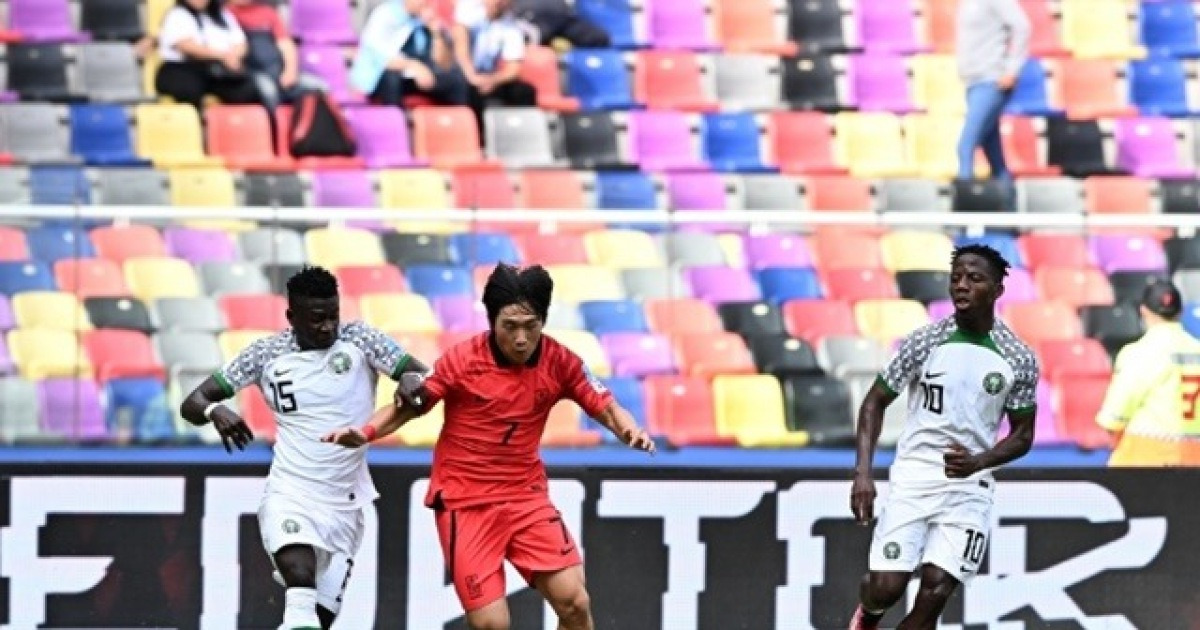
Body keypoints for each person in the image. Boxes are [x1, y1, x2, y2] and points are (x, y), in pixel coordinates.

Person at [323, 263, 656, 630]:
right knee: (491, 625)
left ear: (543, 321)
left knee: (574, 602)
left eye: (530, 326)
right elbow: (410, 407)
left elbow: (605, 405)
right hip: (466, 503)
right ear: (492, 321)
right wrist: (365, 432)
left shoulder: (560, 361)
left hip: (524, 497)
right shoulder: (462, 360)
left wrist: (630, 430)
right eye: (509, 326)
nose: (520, 338)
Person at [180, 266, 429, 630]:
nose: (328, 326)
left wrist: (409, 377)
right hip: (292, 490)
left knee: (319, 620)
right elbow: (193, 401)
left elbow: (419, 372)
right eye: (317, 319)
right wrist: (215, 410)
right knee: (300, 581)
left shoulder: (360, 339)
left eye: (333, 315)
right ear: (291, 316)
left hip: (345, 503)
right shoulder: (265, 355)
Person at [848, 244, 1041, 630]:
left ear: (998, 290)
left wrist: (978, 462)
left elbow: (1022, 436)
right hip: (916, 476)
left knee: (934, 593)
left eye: (974, 278)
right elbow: (874, 402)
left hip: (970, 486)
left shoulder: (1017, 359)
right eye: (956, 278)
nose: (962, 286)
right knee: (886, 589)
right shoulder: (925, 342)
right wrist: (863, 474)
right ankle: (867, 617)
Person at [1096, 279, 1200, 466]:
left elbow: (1115, 416)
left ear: (1143, 311)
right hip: (1194, 460)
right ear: (1181, 311)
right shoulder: (1197, 349)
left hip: (1148, 458)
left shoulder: (1138, 352)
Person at [955, 0, 1029, 194]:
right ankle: (1009, 214)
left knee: (966, 146)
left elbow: (1022, 27)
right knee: (994, 155)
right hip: (973, 83)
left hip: (991, 82)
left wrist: (1012, 69)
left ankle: (963, 214)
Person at [350, 0, 470, 107]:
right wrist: (413, 66)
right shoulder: (385, 15)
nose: (425, 3)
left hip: (414, 76)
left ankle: (458, 125)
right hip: (381, 76)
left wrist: (436, 33)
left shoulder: (423, 21)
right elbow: (381, 59)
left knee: (456, 80)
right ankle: (395, 127)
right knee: (392, 78)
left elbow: (442, 63)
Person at [155, 0, 262, 111]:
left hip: (217, 69)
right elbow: (186, 46)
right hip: (181, 68)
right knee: (189, 89)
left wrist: (233, 57)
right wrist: (223, 56)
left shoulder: (222, 15)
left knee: (247, 91)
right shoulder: (177, 15)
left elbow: (241, 43)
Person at [226, 0, 328, 112]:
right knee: (269, 91)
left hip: (277, 72)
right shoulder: (224, 15)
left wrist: (290, 71)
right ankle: (274, 128)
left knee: (320, 86)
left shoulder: (268, 13)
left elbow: (286, 44)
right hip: (251, 75)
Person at [452, 0, 538, 128]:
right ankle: (476, 138)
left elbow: (513, 69)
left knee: (524, 91)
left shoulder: (511, 26)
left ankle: (522, 134)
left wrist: (492, 80)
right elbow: (460, 50)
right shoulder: (468, 12)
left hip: (487, 75)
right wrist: (473, 78)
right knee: (467, 90)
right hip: (460, 72)